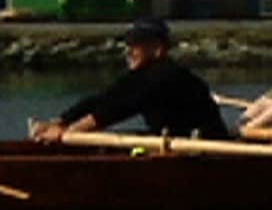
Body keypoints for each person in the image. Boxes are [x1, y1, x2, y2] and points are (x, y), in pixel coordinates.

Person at [31, 17, 231, 142]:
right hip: (174, 143)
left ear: (157, 49)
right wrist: (59, 121)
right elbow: (104, 99)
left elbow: (116, 111)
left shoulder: (167, 78)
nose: (129, 51)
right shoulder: (142, 74)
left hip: (205, 151)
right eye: (128, 44)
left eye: (135, 45)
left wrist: (68, 134)